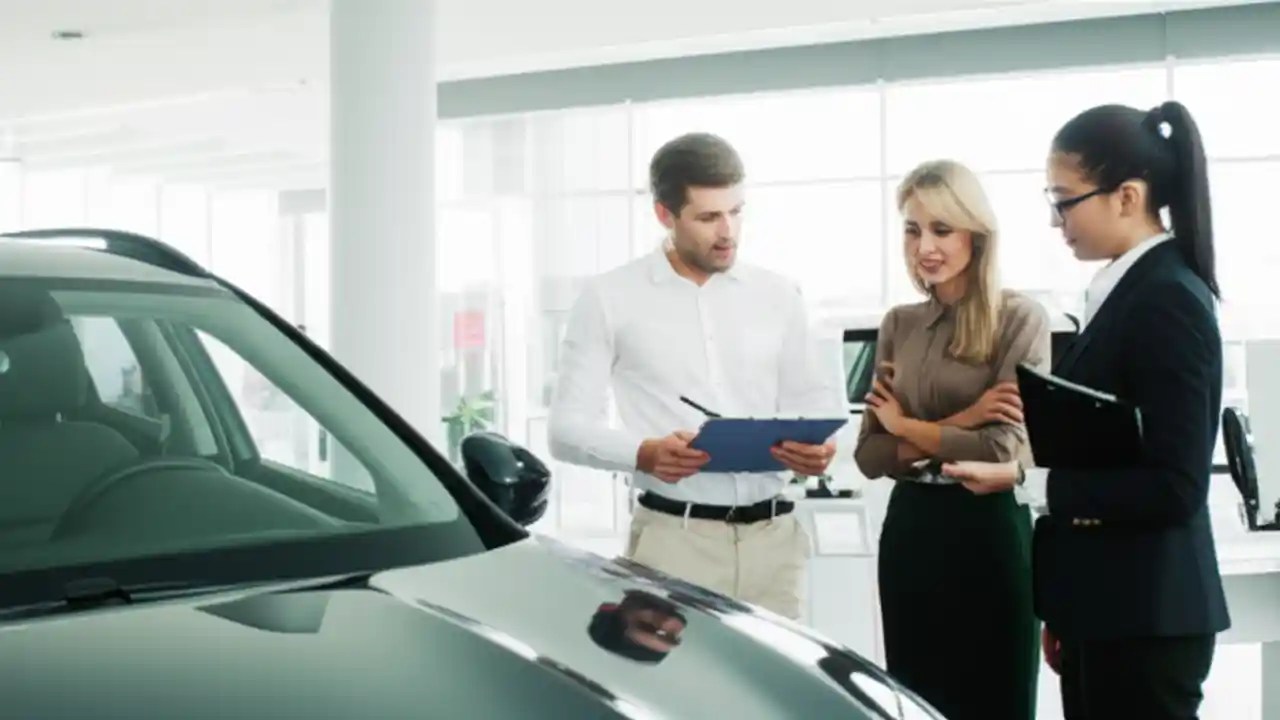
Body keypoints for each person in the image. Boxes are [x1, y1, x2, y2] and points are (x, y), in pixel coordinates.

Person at [943, 101, 1230, 720]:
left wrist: (1034, 480)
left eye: (1065, 200)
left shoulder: (1168, 300)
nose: (1055, 220)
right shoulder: (1125, 289)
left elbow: (1175, 487)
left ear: (1126, 196)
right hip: (1107, 609)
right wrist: (1068, 609)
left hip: (1147, 617)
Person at [547, 132, 843, 620]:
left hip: (776, 545)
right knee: (671, 691)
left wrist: (819, 449)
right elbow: (565, 430)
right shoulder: (609, 297)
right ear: (665, 215)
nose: (727, 231)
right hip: (674, 544)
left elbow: (814, 402)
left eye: (736, 211)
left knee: (773, 695)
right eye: (708, 217)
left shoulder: (779, 294)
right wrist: (644, 452)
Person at [853, 159, 1050, 720]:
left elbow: (1001, 449)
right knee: (916, 703)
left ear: (976, 233)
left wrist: (907, 428)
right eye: (913, 230)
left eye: (942, 228)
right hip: (913, 530)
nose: (924, 246)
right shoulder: (899, 323)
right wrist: (967, 418)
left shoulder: (1019, 318)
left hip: (990, 532)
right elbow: (869, 456)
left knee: (998, 702)